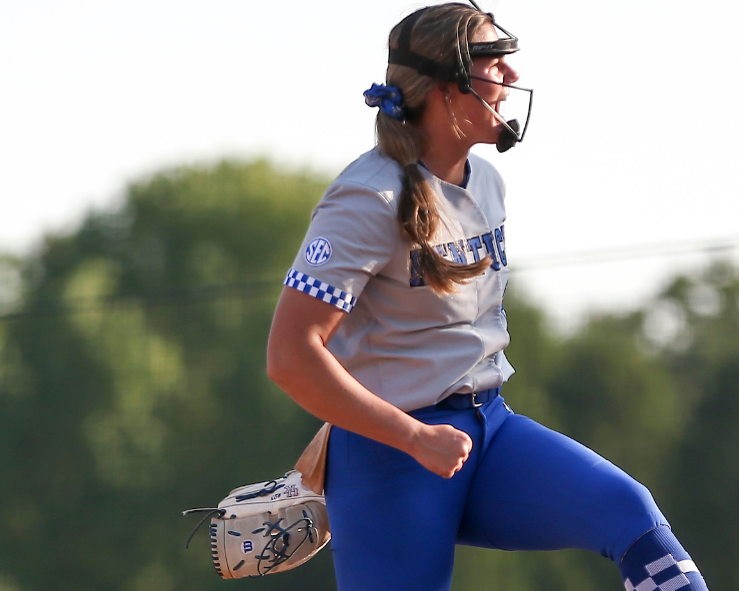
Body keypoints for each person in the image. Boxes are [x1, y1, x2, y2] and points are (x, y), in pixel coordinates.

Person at [265, 3, 710, 590]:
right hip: (390, 457)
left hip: (489, 430)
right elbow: (290, 356)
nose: (509, 76)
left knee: (632, 516)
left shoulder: (488, 181)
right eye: (490, 61)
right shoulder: (364, 199)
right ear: (445, 87)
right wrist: (411, 437)